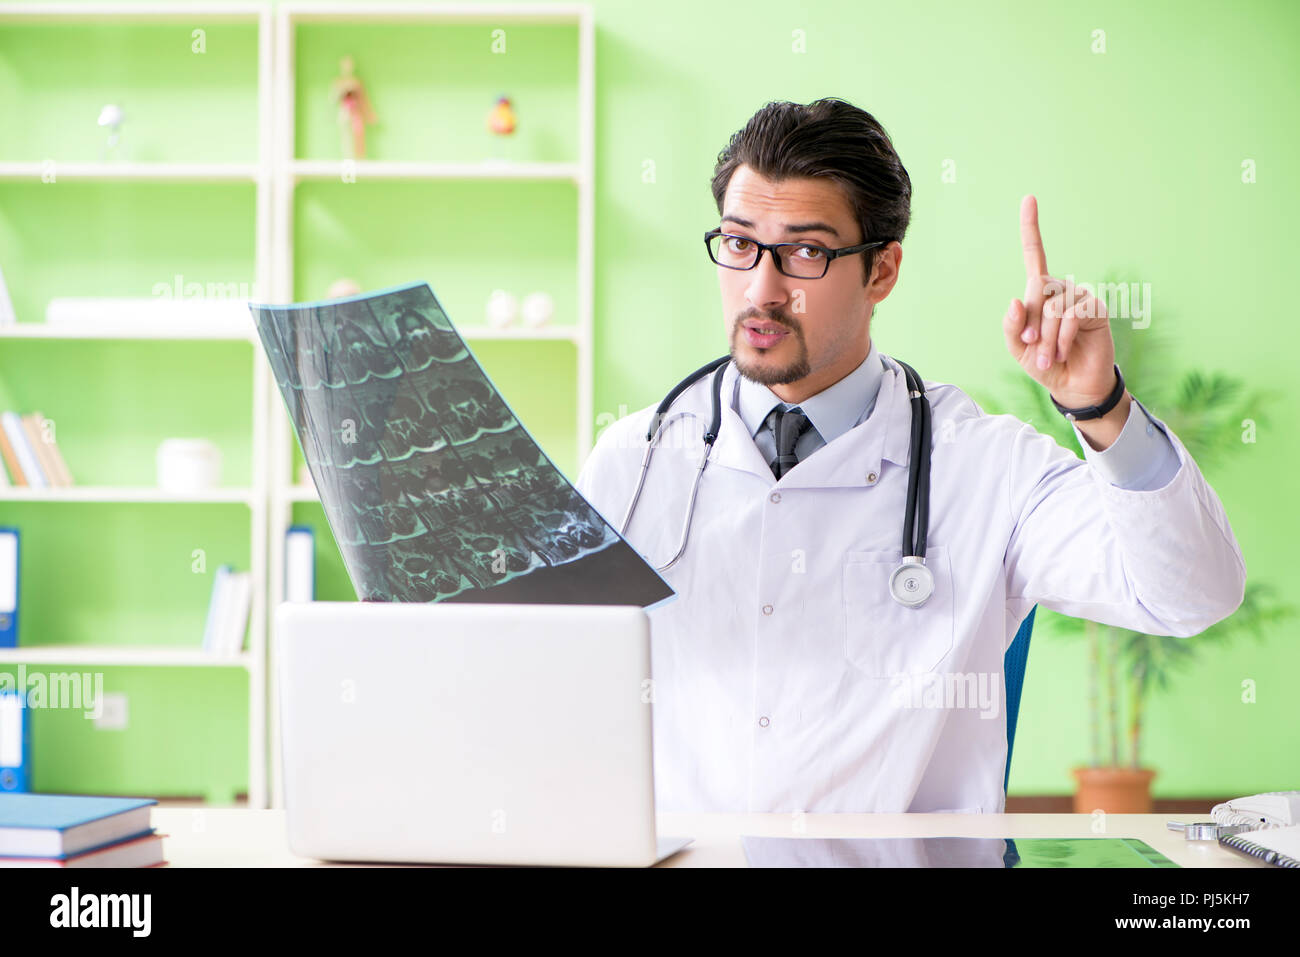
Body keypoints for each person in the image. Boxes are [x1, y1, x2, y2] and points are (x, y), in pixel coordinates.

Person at [574, 98, 1247, 815]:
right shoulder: (634, 462)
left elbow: (1192, 595)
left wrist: (1101, 405)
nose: (761, 290)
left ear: (882, 271)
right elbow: (557, 695)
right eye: (740, 244)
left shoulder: (985, 466)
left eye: (806, 251)